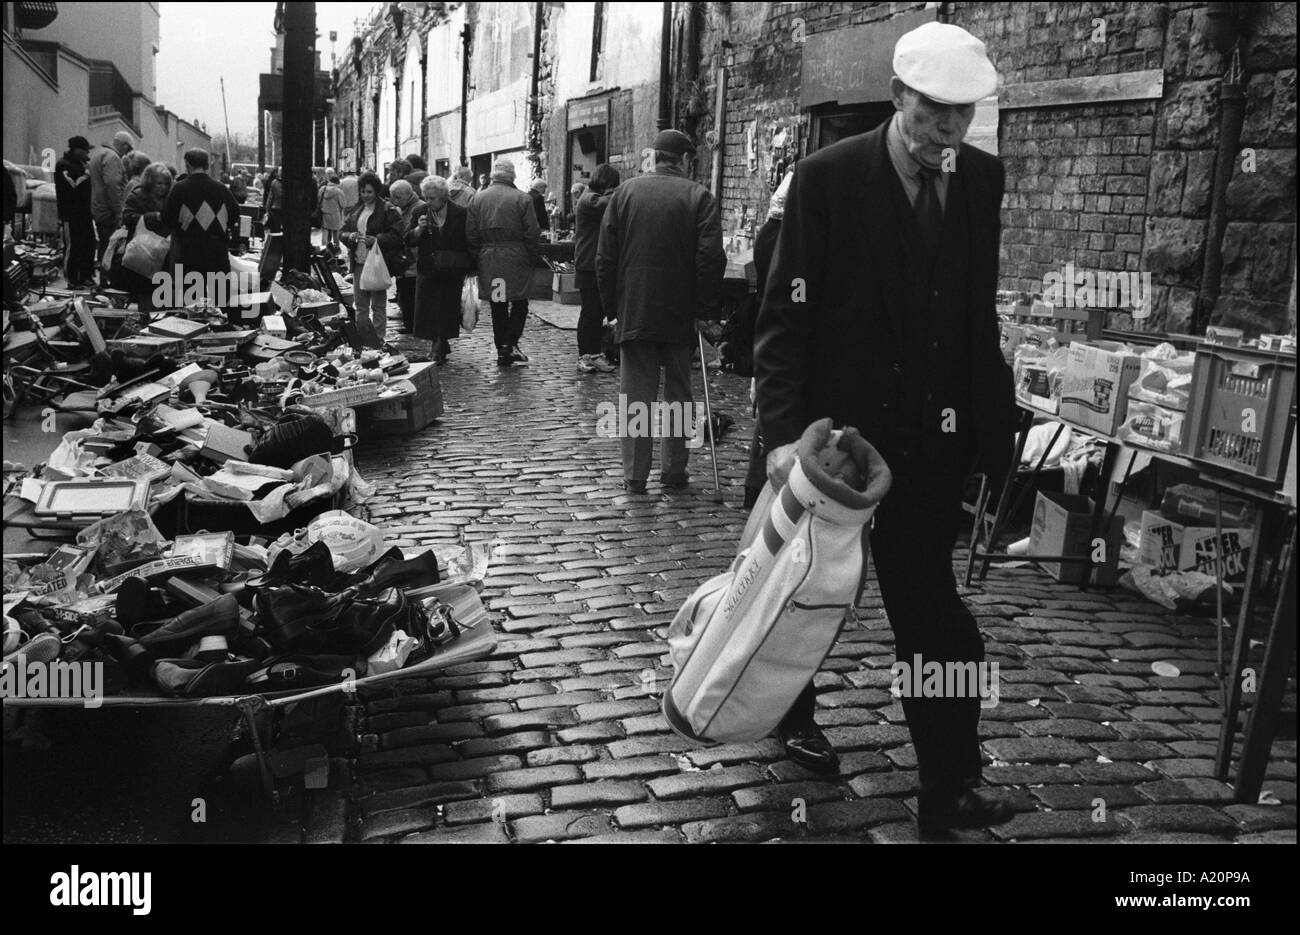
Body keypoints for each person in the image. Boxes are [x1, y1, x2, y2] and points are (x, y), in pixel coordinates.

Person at [754, 23, 1015, 837]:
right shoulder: (827, 180)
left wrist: (992, 435)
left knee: (933, 611)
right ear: (899, 97)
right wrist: (784, 433)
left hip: (930, 451)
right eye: (935, 112)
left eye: (962, 114)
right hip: (835, 446)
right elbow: (782, 320)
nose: (948, 130)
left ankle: (950, 779)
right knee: (800, 591)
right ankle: (789, 710)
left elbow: (974, 312)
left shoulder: (980, 179)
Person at [596, 129, 724, 494]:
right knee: (679, 393)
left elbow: (605, 258)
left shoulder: (624, 193)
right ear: (685, 160)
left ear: (655, 157)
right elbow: (710, 259)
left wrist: (612, 309)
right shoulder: (699, 196)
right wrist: (705, 311)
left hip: (635, 309)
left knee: (635, 394)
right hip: (680, 312)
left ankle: (635, 475)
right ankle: (673, 470)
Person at [466, 158, 541, 367]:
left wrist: (478, 255)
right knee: (519, 302)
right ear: (512, 176)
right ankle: (510, 343)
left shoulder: (478, 199)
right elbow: (532, 232)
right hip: (517, 257)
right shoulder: (522, 199)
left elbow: (471, 234)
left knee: (498, 303)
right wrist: (531, 256)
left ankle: (502, 348)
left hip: (490, 258)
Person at [161, 149, 240, 305]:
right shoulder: (222, 189)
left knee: (191, 303)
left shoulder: (179, 189)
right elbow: (235, 214)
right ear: (207, 165)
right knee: (221, 301)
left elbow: (167, 219)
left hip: (190, 251)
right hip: (217, 251)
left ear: (188, 165)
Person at [407, 176, 473, 365]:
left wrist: (470, 266)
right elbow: (408, 238)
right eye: (426, 197)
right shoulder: (420, 211)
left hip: (452, 268)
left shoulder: (460, 213)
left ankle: (439, 345)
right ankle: (438, 344)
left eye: (433, 198)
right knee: (428, 309)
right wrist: (418, 230)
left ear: (444, 196)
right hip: (428, 267)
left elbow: (467, 240)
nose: (429, 201)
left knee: (447, 307)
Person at [339, 172, 405, 346]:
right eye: (362, 192)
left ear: (376, 191)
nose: (365, 195)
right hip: (359, 261)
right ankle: (363, 339)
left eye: (369, 192)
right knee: (360, 305)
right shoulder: (356, 209)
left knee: (377, 305)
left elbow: (397, 234)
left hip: (376, 262)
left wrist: (377, 239)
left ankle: (378, 340)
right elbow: (342, 231)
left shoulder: (386, 209)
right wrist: (349, 237)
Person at [573, 165, 619, 374]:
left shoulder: (591, 197)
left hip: (595, 263)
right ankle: (585, 356)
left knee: (597, 311)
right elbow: (609, 204)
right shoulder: (589, 199)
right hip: (588, 264)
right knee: (590, 312)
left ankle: (594, 353)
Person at [116, 162, 173, 318]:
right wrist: (151, 219)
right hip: (142, 250)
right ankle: (145, 316)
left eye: (166, 184)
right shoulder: (137, 196)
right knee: (146, 286)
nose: (163, 187)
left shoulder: (170, 198)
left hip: (163, 251)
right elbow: (127, 217)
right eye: (159, 183)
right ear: (150, 181)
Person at [88, 131, 133, 275]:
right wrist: (119, 210)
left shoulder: (98, 153)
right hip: (107, 209)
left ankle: (102, 277)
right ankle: (106, 279)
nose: (127, 153)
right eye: (129, 149)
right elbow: (113, 185)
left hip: (97, 206)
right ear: (125, 146)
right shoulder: (113, 158)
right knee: (109, 247)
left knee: (103, 244)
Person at [55, 136, 95, 289]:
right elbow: (72, 186)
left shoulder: (81, 164)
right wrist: (86, 175)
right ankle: (72, 279)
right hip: (71, 214)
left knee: (89, 245)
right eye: (85, 151)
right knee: (73, 246)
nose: (87, 154)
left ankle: (85, 276)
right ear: (77, 150)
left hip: (85, 213)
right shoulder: (63, 166)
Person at [388, 179, 423, 334]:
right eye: (393, 197)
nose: (395, 201)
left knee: (412, 294)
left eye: (398, 197)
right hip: (404, 261)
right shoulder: (401, 208)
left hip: (414, 260)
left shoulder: (418, 208)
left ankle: (414, 326)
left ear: (409, 195)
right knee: (405, 293)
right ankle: (410, 324)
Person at [318, 172, 345, 251]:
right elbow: (343, 205)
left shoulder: (322, 189)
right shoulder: (339, 192)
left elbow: (319, 200)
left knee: (325, 234)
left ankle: (324, 250)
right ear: (337, 182)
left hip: (324, 214)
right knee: (336, 235)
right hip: (335, 215)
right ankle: (336, 250)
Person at [262, 167, 283, 232]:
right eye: (280, 171)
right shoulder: (274, 182)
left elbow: (270, 198)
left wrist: (267, 210)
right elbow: (270, 197)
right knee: (277, 228)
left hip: (278, 208)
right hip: (278, 208)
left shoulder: (274, 182)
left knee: (276, 228)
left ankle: (276, 240)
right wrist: (267, 209)